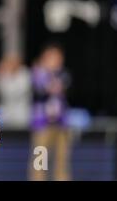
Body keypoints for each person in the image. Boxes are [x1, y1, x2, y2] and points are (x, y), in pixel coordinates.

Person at [29, 43, 72, 181]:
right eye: (52, 57)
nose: (55, 60)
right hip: (42, 125)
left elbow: (59, 87)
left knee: (61, 161)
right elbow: (45, 87)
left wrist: (53, 75)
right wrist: (44, 71)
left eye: (58, 57)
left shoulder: (63, 74)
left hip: (61, 125)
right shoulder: (38, 73)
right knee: (40, 163)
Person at [0, 54, 31, 129]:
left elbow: (17, 92)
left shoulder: (24, 73)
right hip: (6, 114)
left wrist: (9, 75)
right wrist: (2, 74)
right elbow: (3, 91)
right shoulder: (4, 74)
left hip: (21, 113)